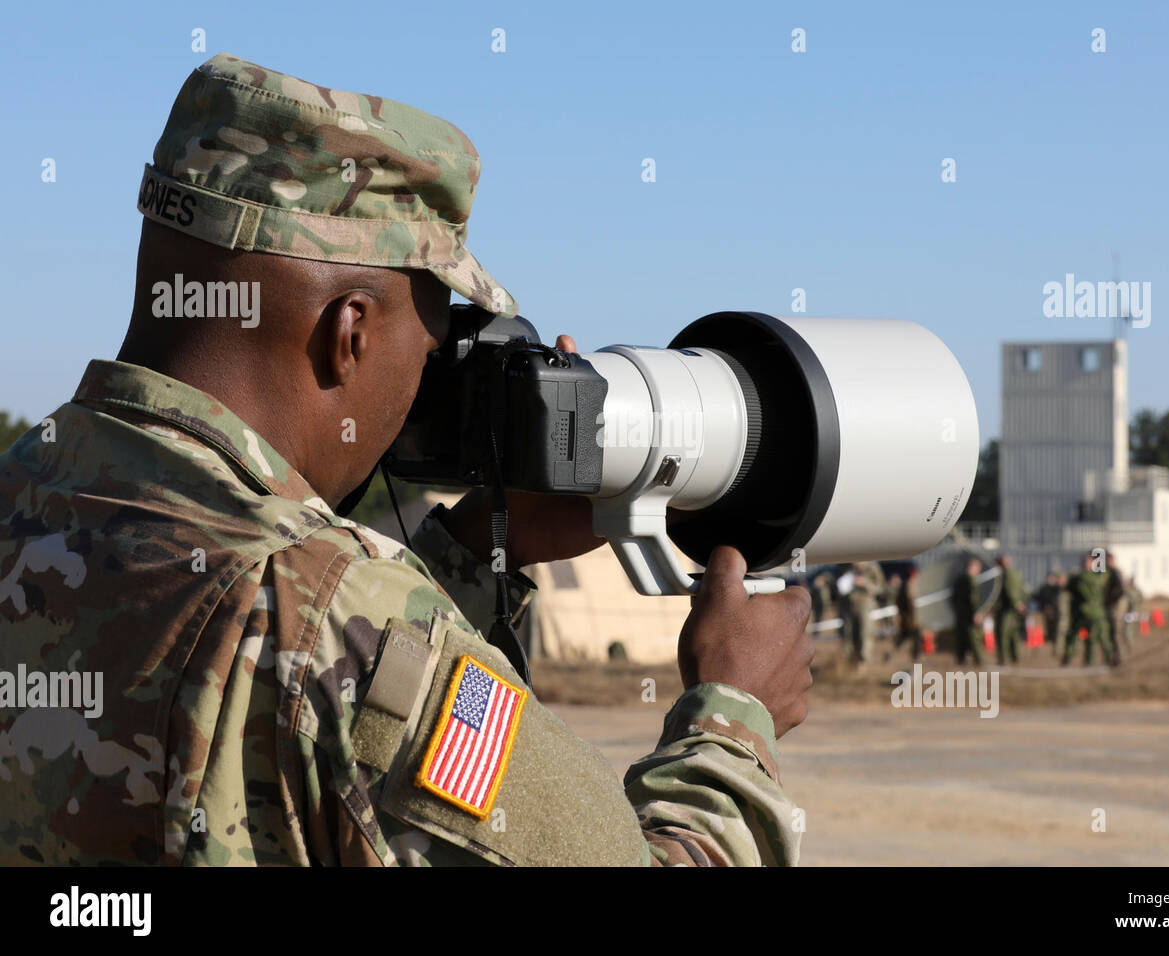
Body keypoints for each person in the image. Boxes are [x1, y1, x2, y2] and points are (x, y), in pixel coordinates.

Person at [0, 54, 814, 867]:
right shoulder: (336, 614)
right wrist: (732, 720)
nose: (424, 382)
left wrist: (473, 555)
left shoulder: (30, 494)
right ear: (349, 331)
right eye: (429, 345)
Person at [1062, 555, 1111, 667]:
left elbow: (1067, 589)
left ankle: (1071, 660)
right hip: (1090, 612)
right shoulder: (1096, 577)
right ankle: (1104, 659)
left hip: (1086, 612)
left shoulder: (1077, 578)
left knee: (1088, 637)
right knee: (1096, 637)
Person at [845, 561, 886, 671]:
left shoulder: (872, 567)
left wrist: (865, 583)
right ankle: (853, 662)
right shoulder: (849, 568)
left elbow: (880, 588)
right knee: (851, 635)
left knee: (865, 633)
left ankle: (863, 662)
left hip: (866, 604)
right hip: (851, 605)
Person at [951, 557, 987, 666]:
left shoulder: (959, 580)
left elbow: (954, 599)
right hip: (970, 614)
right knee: (975, 637)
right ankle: (979, 661)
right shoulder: (971, 581)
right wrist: (976, 613)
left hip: (960, 615)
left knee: (961, 638)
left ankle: (961, 660)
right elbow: (973, 599)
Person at [992, 554, 1027, 665]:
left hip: (1007, 610)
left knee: (1003, 634)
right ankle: (1015, 657)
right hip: (1015, 609)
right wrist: (1022, 603)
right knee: (1014, 634)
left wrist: (1017, 603)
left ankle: (1002, 659)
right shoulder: (1017, 573)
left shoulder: (1006, 574)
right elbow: (1023, 589)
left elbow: (1010, 590)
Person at [1104, 553, 1130, 665]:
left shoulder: (1115, 573)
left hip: (1117, 606)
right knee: (1110, 632)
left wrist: (1110, 599)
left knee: (1116, 631)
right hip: (1110, 606)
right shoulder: (1106, 573)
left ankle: (1119, 656)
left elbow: (1120, 591)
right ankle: (1112, 656)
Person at [896, 567, 922, 660]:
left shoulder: (905, 587)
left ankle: (893, 653)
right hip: (910, 619)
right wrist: (912, 619)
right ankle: (915, 657)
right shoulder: (908, 588)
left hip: (907, 618)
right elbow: (910, 606)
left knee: (904, 637)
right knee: (915, 637)